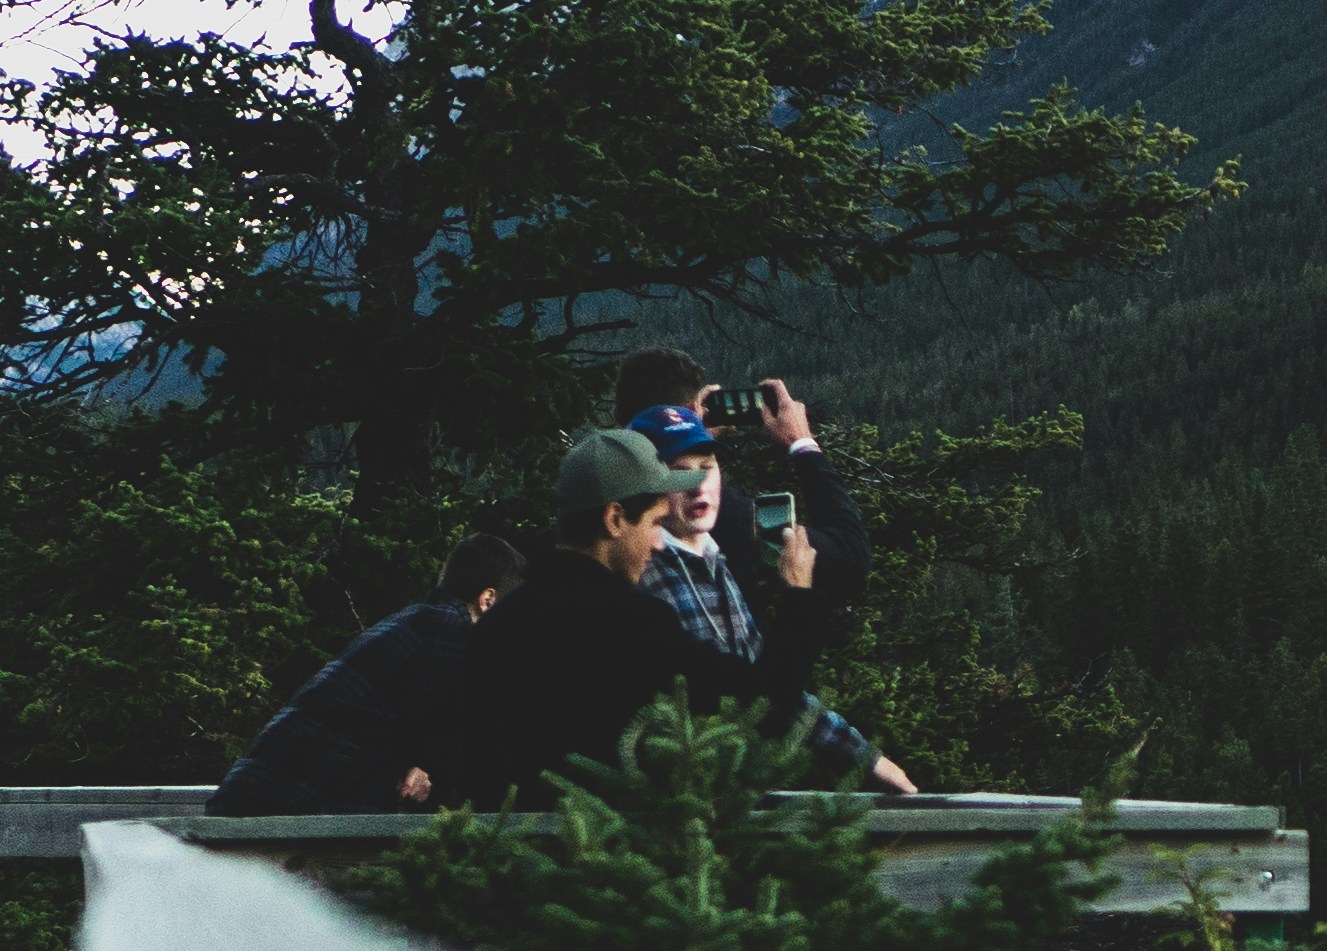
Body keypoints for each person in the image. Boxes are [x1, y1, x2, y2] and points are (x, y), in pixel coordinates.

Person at [445, 428, 913, 807]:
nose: (655, 544)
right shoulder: (627, 622)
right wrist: (798, 597)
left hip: (502, 863)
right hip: (602, 874)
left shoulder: (502, 622)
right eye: (652, 523)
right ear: (614, 519)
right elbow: (759, 703)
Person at [207, 536, 527, 817]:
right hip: (287, 802)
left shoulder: (419, 622)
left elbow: (413, 720)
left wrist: (422, 764)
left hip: (261, 789)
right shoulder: (452, 631)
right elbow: (462, 731)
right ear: (488, 600)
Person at [613, 348, 872, 620]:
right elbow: (850, 556)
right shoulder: (716, 514)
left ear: (618, 418)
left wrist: (686, 444)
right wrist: (802, 444)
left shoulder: (605, 511)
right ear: (693, 410)